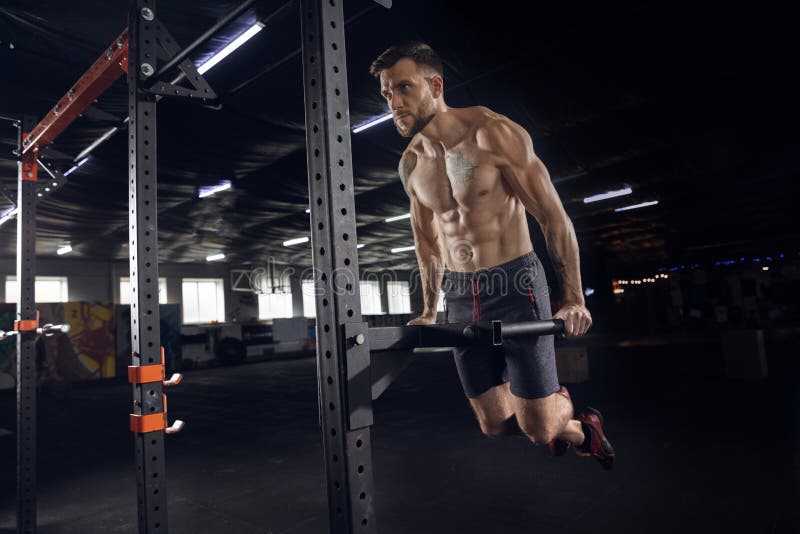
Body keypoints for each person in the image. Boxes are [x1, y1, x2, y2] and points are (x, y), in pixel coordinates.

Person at [370, 42, 614, 469]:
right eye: (387, 93)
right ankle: (570, 427)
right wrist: (429, 309)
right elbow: (427, 241)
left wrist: (573, 297)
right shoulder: (411, 162)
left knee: (538, 430)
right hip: (462, 293)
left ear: (436, 85)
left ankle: (576, 423)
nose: (394, 102)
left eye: (404, 87)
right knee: (495, 425)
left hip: (517, 283)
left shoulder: (493, 133)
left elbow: (552, 217)